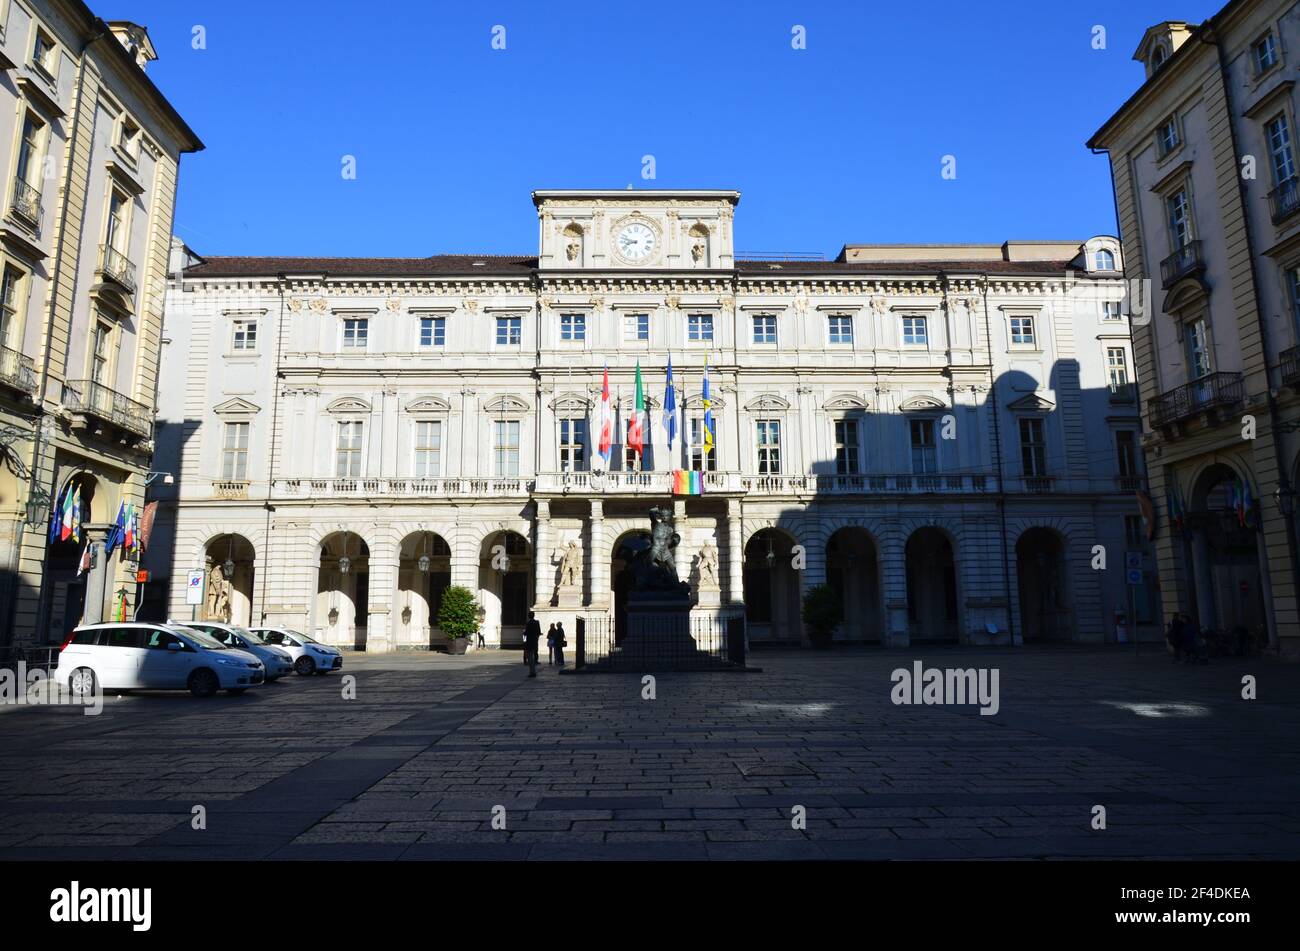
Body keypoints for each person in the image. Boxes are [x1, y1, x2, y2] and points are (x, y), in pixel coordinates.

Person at [523, 612, 542, 678]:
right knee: (533, 656)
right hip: (535, 641)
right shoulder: (537, 622)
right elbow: (539, 632)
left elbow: (526, 633)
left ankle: (532, 672)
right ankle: (533, 671)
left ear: (528, 616)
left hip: (529, 642)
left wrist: (524, 632)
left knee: (530, 658)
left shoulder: (528, 623)